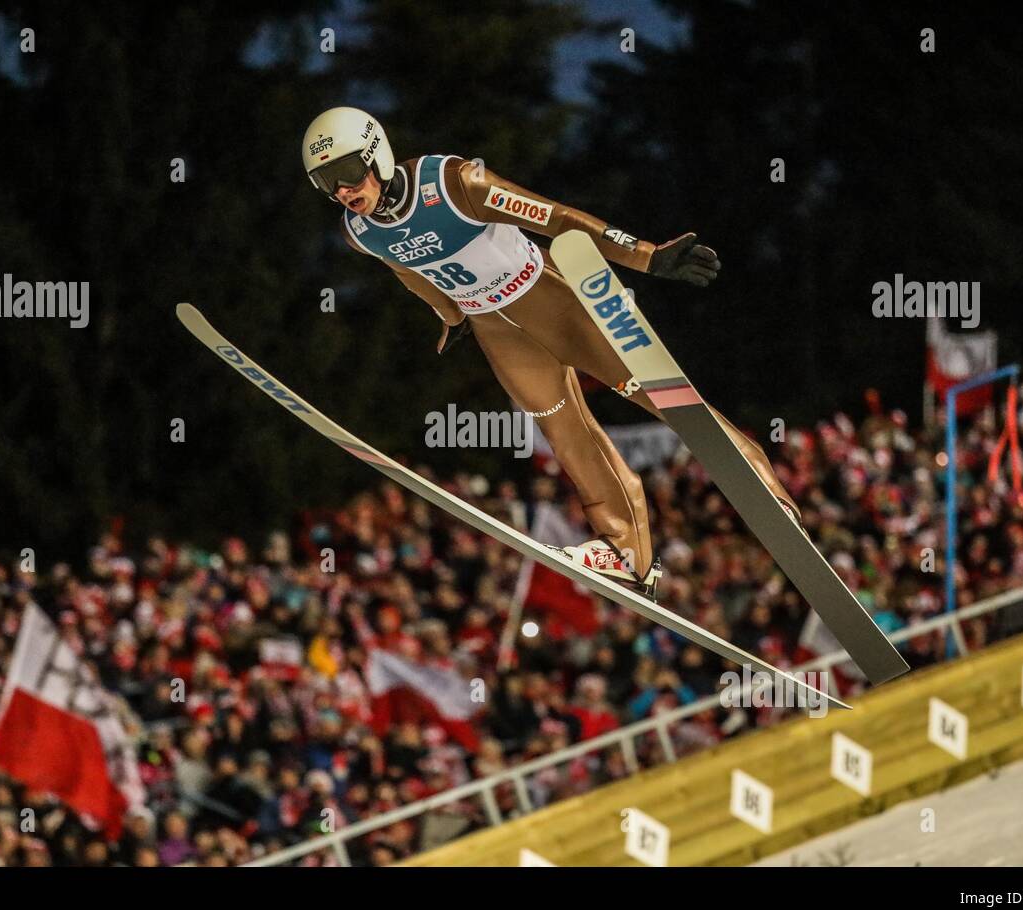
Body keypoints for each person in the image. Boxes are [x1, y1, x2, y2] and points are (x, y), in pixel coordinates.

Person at [301, 107, 798, 594]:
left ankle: (762, 485)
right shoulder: (362, 234)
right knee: (564, 432)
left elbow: (556, 219)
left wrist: (645, 256)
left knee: (656, 394)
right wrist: (451, 318)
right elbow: (409, 272)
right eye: (327, 184)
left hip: (549, 299)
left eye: (346, 172)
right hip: (497, 329)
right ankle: (628, 551)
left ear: (376, 155)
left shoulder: (454, 185)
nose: (343, 191)